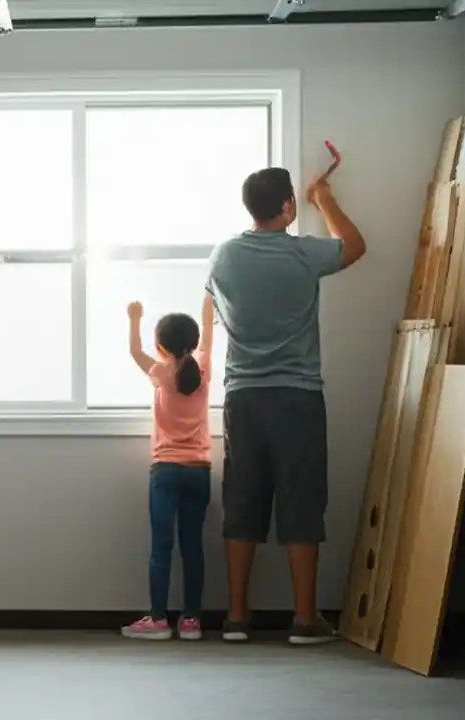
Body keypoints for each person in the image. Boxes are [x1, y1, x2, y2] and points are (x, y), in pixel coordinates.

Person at [206, 167, 366, 645]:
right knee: (302, 500)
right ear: (288, 206)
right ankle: (304, 619)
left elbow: (216, 307)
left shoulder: (224, 255)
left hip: (243, 397)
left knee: (243, 499)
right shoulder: (302, 253)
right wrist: (325, 200)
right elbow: (355, 246)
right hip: (296, 396)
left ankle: (236, 617)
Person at [121, 295, 215, 642]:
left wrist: (134, 318)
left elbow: (135, 352)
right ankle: (191, 619)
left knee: (161, 547)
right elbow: (207, 338)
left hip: (165, 471)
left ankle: (158, 619)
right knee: (193, 547)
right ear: (192, 343)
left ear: (161, 346)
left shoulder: (161, 371)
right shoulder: (202, 368)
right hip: (199, 469)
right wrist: (208, 307)